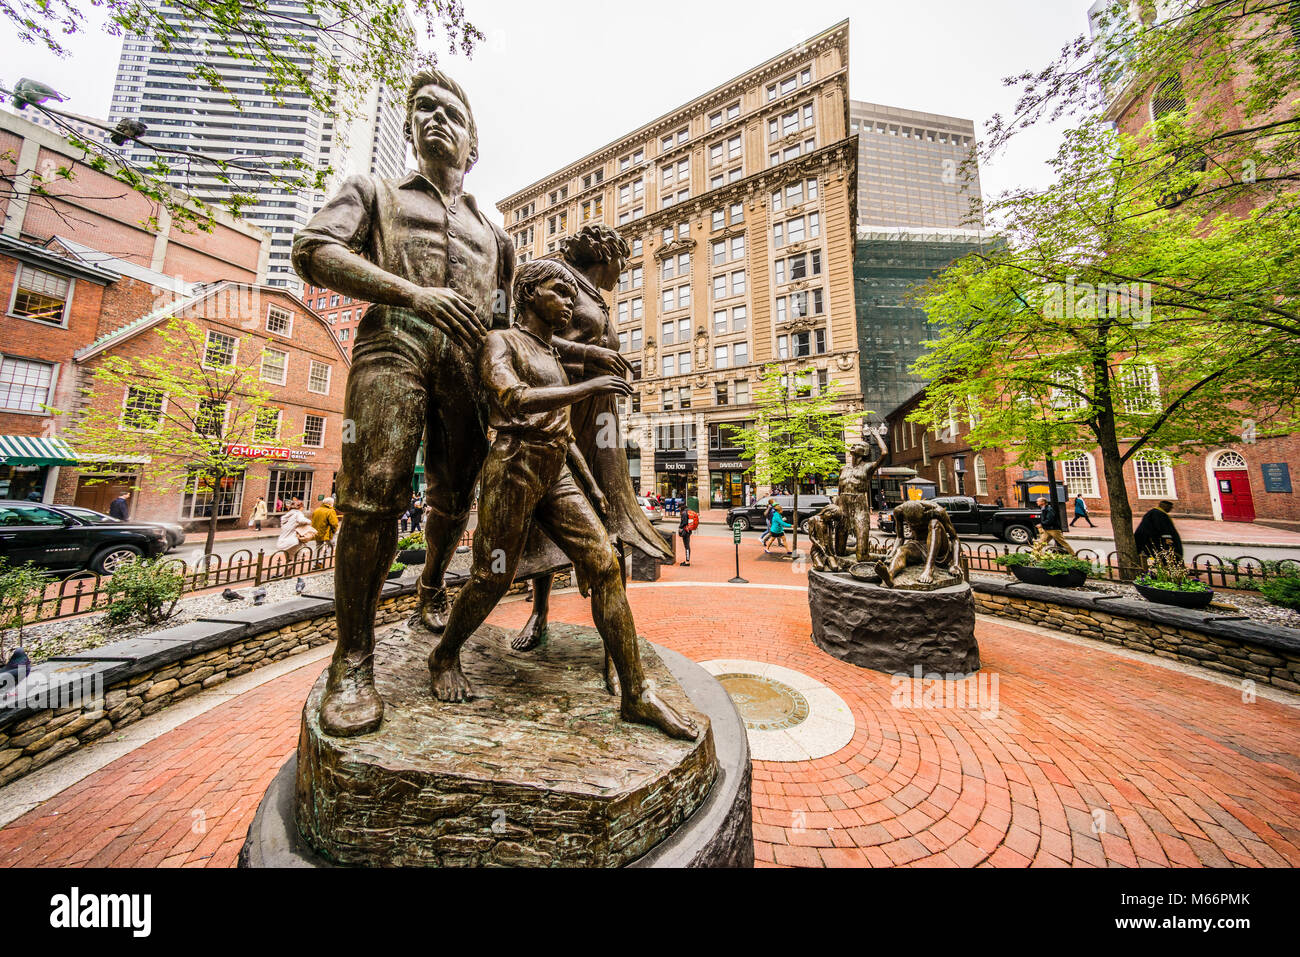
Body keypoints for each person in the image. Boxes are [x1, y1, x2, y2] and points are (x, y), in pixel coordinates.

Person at [292, 69, 626, 736]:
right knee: (372, 496)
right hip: (394, 344)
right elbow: (311, 250)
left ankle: (431, 583)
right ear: (412, 130)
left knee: (454, 498)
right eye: (422, 109)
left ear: (473, 145)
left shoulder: (495, 236)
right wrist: (412, 294)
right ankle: (352, 660)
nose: (433, 117)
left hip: (471, 370)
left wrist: (593, 358)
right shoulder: (374, 192)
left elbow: (521, 325)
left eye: (450, 111)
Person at [430, 259, 695, 740]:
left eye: (572, 294)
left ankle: (636, 693)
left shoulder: (552, 353)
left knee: (605, 565)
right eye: (560, 292)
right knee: (492, 577)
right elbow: (511, 400)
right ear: (529, 294)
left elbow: (564, 427)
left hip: (556, 472)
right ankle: (444, 654)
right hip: (513, 468)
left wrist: (590, 484)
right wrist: (589, 384)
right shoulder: (501, 341)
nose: (571, 303)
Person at [511, 224, 670, 653]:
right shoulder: (559, 282)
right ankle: (540, 610)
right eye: (623, 261)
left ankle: (613, 641)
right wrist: (592, 357)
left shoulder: (596, 297)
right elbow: (531, 340)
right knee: (546, 505)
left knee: (610, 510)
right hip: (566, 406)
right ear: (608, 255)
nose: (624, 271)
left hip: (602, 415)